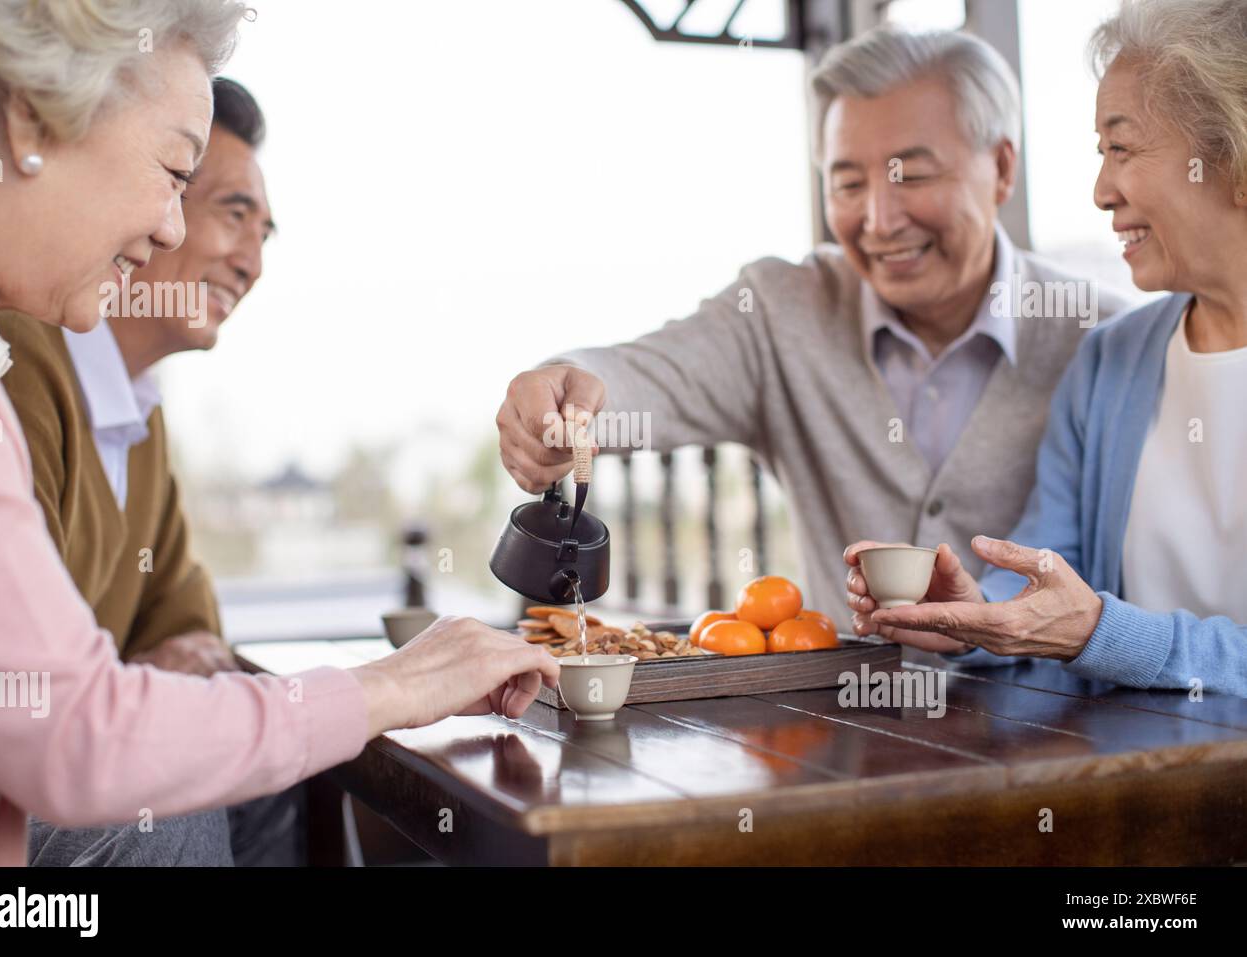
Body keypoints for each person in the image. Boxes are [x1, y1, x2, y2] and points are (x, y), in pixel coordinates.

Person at [0, 0, 556, 867]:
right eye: (174, 173)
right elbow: (79, 731)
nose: (167, 226)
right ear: (28, 118)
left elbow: (158, 647)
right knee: (165, 804)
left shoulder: (5, 367)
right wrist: (394, 684)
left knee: (248, 771)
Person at [495, 26, 1131, 625]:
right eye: (847, 183)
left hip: (1063, 732)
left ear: (1002, 168)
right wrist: (563, 388)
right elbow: (639, 375)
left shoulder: (1104, 337)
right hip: (840, 727)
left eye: (911, 175)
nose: (879, 219)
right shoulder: (782, 310)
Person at [845, 0, 1247, 698]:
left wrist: (1104, 633)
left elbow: (1091, 625)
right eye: (1101, 154)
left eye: (1122, 148)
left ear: (1236, 154)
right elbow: (1053, 570)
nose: (1100, 190)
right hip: (1139, 787)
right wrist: (977, 616)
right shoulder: (1111, 360)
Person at [0, 76, 299, 866]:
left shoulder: (139, 410)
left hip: (59, 758)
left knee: (277, 770)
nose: (253, 262)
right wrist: (137, 676)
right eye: (236, 214)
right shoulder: (16, 353)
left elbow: (185, 616)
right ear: (158, 196)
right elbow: (23, 677)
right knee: (163, 804)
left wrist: (154, 665)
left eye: (268, 232)